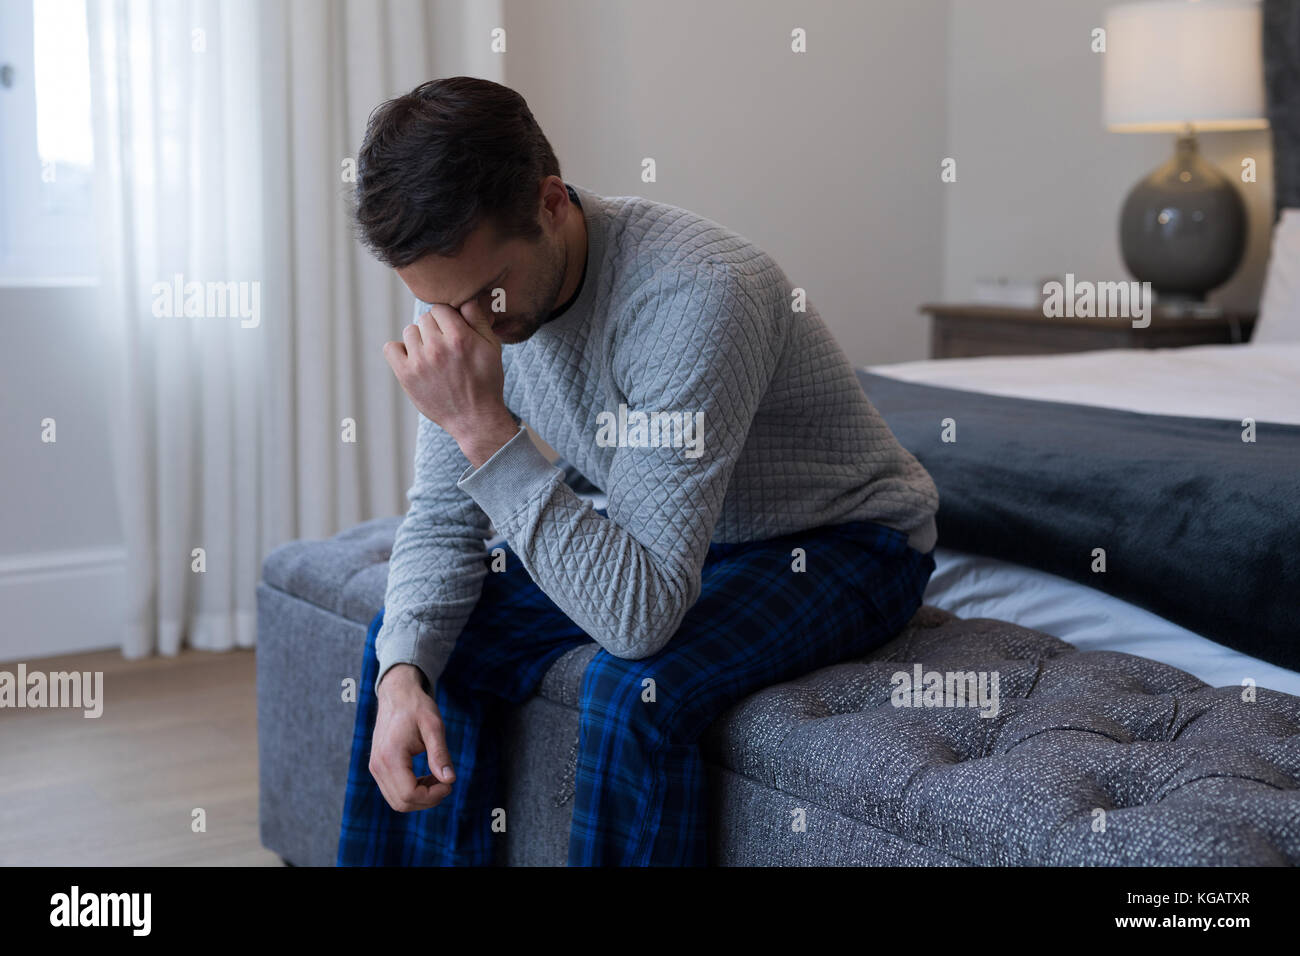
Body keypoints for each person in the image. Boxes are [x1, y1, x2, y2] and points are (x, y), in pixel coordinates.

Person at [337, 76, 939, 867]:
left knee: (635, 694)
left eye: (487, 294)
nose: (470, 327)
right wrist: (401, 676)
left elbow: (639, 617)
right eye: (441, 306)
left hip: (840, 540)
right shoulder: (459, 292)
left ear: (551, 202)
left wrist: (482, 427)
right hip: (669, 532)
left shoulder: (698, 292)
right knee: (409, 637)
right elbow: (445, 520)